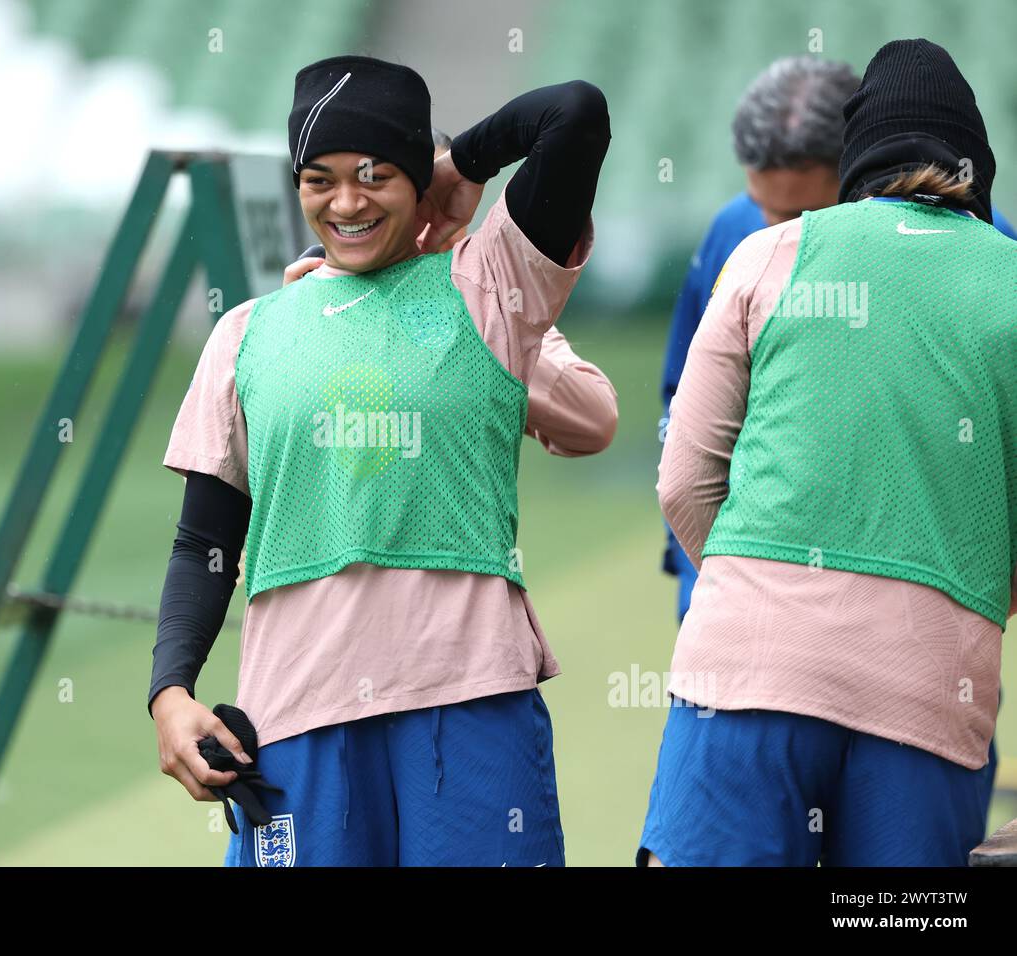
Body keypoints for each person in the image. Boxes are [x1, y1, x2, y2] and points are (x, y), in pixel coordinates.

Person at [149, 55, 613, 866]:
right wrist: (170, 691)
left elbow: (573, 113)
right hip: (296, 717)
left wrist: (456, 169)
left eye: (375, 175)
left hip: (470, 705)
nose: (346, 202)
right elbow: (204, 542)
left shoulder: (489, 287)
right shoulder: (246, 333)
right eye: (319, 180)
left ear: (416, 179)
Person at [642, 38, 1014, 867]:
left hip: (744, 673)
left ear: (854, 157)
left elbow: (684, 479)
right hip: (927, 690)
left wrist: (750, 582)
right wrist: (966, 602)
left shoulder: (762, 252)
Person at [661, 55, 1016, 624]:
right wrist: (714, 576)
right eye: (763, 207)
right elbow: (682, 406)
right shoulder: (735, 235)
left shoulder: (987, 247)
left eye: (799, 211)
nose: (777, 230)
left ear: (859, 169)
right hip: (735, 585)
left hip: (915, 602)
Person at [284, 126, 615, 460]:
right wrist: (295, 330)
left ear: (463, 204)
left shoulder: (494, 301)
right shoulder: (318, 302)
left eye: (436, 199)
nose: (425, 223)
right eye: (411, 205)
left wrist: (487, 336)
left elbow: (595, 423)